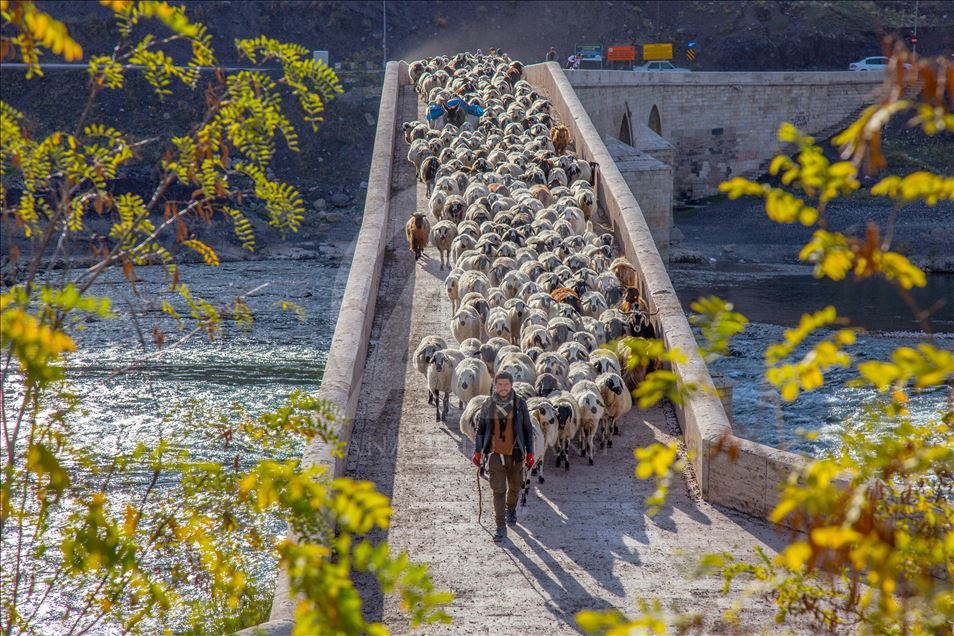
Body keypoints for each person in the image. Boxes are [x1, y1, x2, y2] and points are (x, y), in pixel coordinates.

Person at [472, 371, 535, 542]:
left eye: (506, 384)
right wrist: (478, 450)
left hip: (516, 455)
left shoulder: (520, 404)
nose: (503, 388)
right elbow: (481, 430)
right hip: (495, 456)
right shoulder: (488, 404)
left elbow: (528, 431)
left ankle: (511, 509)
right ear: (495, 385)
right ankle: (500, 526)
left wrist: (530, 453)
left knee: (514, 489)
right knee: (499, 491)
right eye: (500, 384)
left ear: (511, 385)